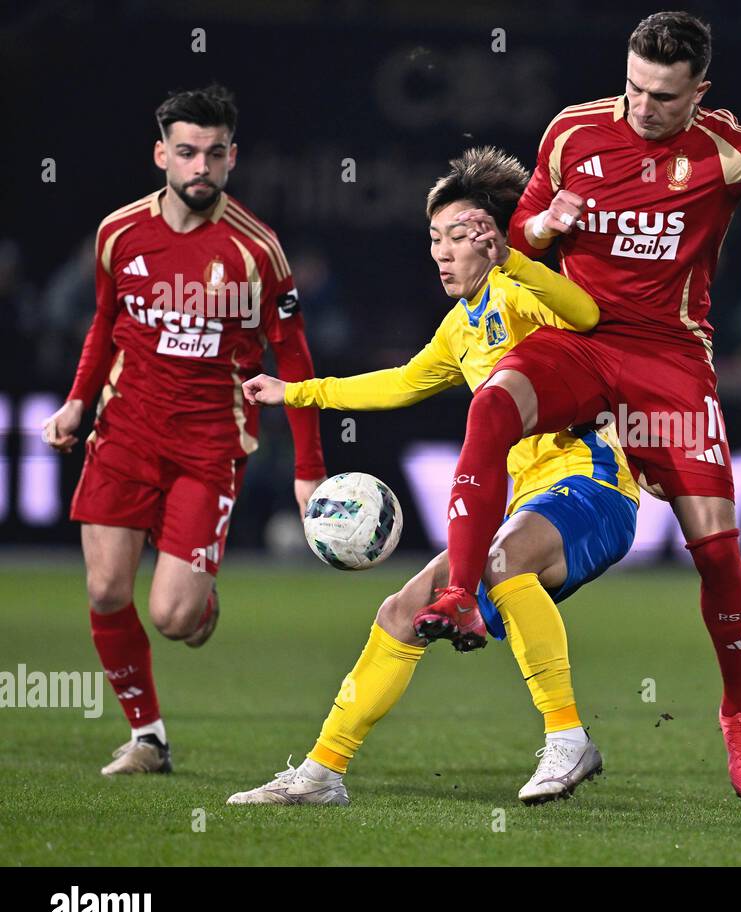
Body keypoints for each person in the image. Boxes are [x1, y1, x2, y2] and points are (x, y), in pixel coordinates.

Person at [411, 10, 741, 802]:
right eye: (634, 87)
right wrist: (544, 222)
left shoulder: (727, 149)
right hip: (582, 340)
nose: (642, 107)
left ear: (700, 92)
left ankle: (739, 712)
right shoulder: (571, 134)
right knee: (491, 406)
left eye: (664, 97)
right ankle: (463, 591)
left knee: (714, 551)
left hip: (668, 362)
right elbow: (523, 236)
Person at [229, 147, 639, 805]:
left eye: (460, 236)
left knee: (502, 563)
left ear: (495, 238)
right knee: (401, 611)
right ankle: (321, 773)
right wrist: (299, 392)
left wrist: (518, 259)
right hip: (527, 504)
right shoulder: (460, 327)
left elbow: (587, 315)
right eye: (435, 239)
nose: (443, 252)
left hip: (593, 486)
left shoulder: (522, 290)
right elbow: (400, 383)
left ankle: (568, 740)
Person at [40, 84, 326, 774]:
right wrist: (78, 403)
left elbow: (295, 358)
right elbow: (104, 325)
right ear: (161, 154)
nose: (201, 165)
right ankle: (148, 739)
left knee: (173, 619)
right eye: (188, 151)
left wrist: (308, 470)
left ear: (233, 158)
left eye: (216, 153)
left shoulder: (258, 251)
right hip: (124, 433)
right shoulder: (119, 234)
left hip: (209, 447)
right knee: (107, 591)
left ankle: (196, 598)